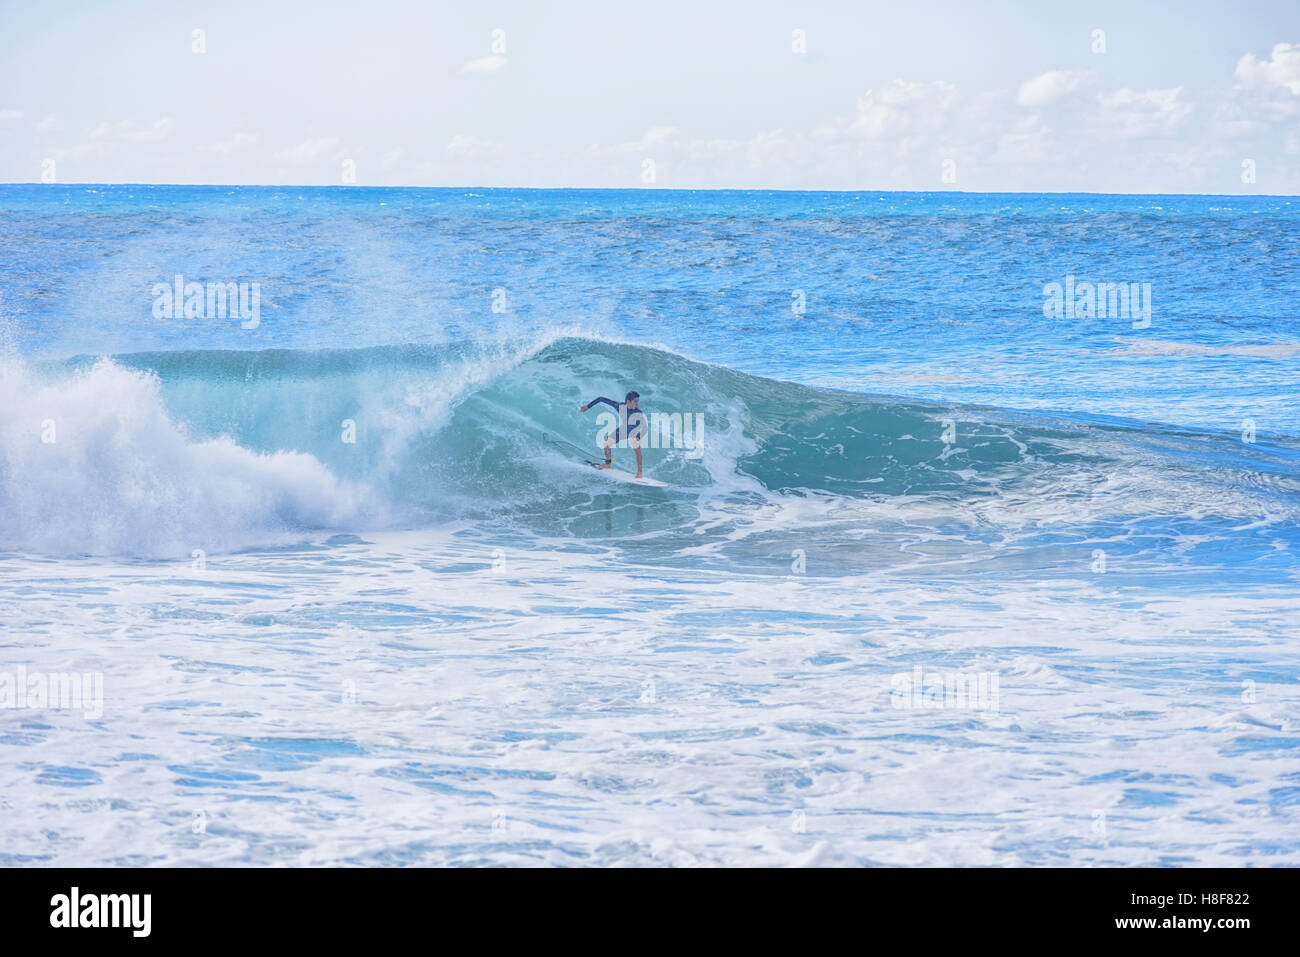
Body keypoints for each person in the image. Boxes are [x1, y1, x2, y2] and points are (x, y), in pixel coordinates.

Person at [580, 390, 647, 477]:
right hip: (624, 430)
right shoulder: (619, 406)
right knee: (606, 444)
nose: (637, 403)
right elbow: (601, 399)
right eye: (635, 401)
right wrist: (588, 406)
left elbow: (644, 427)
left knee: (636, 448)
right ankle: (607, 464)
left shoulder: (638, 413)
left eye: (638, 401)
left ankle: (640, 472)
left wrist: (638, 437)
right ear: (628, 401)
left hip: (635, 431)